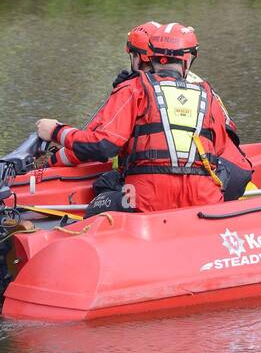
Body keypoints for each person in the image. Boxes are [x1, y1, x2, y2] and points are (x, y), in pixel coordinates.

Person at [35, 22, 248, 214]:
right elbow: (217, 147)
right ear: (187, 60)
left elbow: (102, 144)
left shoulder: (133, 89)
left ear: (147, 56)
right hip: (205, 195)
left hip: (148, 198)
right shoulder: (205, 92)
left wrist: (55, 132)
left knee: (99, 199)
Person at [104, 20, 253, 203]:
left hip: (213, 173)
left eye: (133, 55)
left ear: (145, 57)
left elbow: (104, 140)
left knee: (108, 183)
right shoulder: (193, 84)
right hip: (228, 167)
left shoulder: (141, 89)